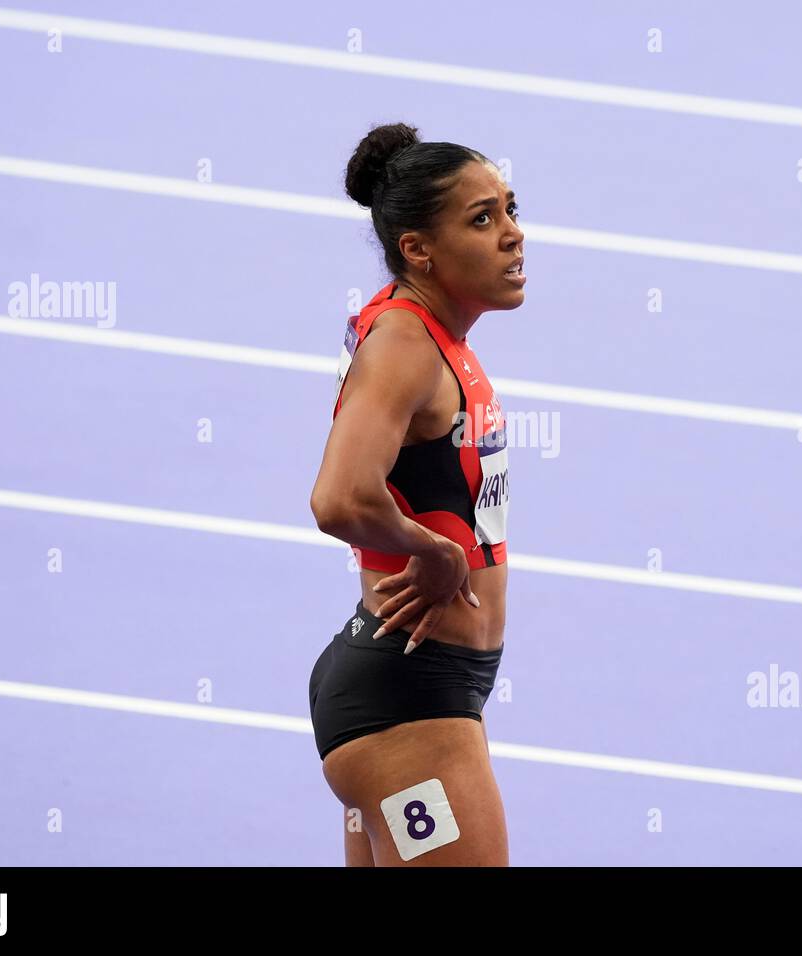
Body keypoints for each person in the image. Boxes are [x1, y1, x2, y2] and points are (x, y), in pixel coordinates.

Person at [308, 122, 525, 866]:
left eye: (510, 208)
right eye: (482, 218)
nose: (513, 236)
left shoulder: (429, 334)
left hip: (417, 693)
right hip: (408, 704)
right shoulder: (404, 343)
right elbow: (339, 498)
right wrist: (433, 552)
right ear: (417, 249)